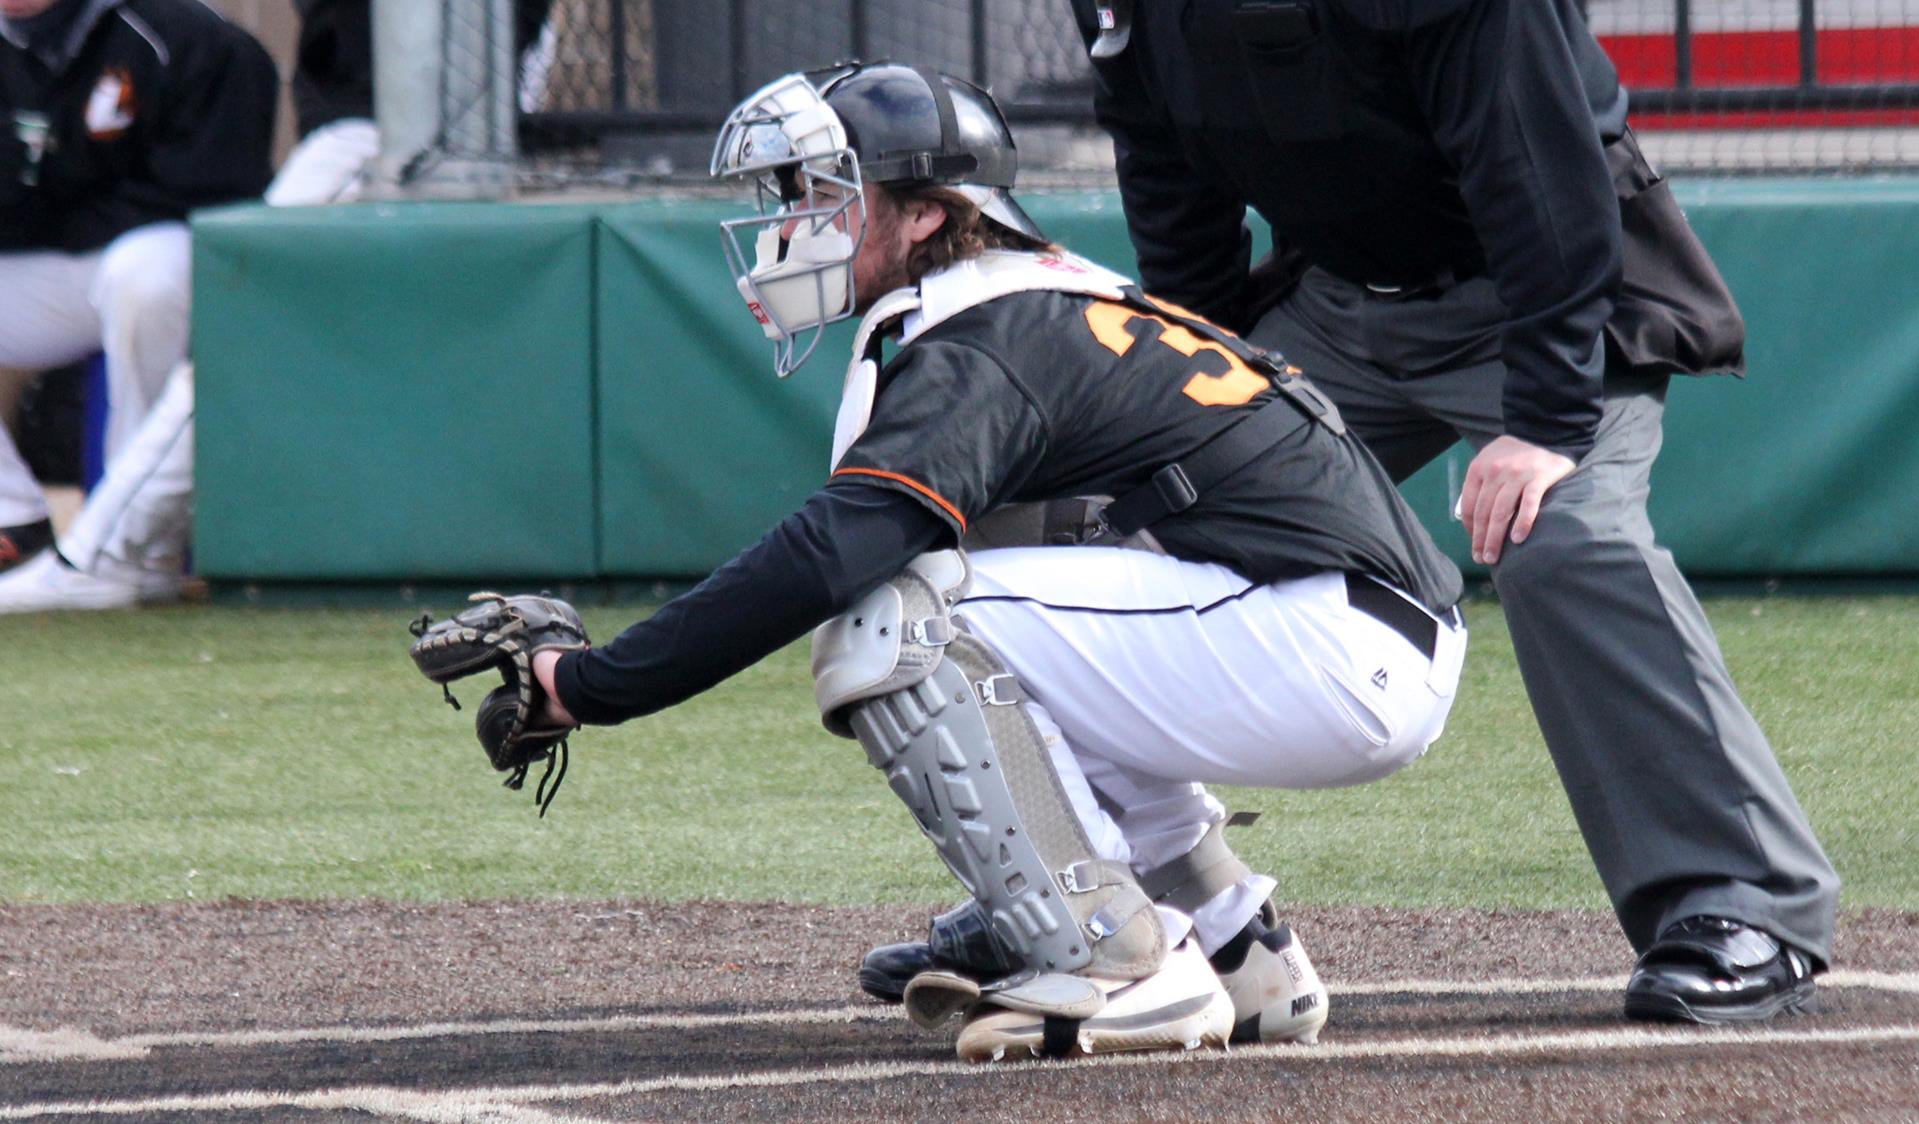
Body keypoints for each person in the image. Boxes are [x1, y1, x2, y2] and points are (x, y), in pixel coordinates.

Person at [523, 61, 1468, 1061]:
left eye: (823, 193)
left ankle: (1117, 956)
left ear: (925, 216)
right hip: (1338, 628)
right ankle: (1235, 940)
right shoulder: (1039, 296)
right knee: (1001, 598)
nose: (793, 224)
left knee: (897, 620)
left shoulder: (978, 327)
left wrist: (587, 683)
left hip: (1317, 636)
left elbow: (834, 553)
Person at [1068, 0, 1840, 1024]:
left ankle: (1748, 903)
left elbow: (1542, 180)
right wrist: (1189, 404)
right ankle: (1072, 899)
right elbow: (1168, 181)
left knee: (1563, 538)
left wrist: (1548, 423)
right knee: (1107, 524)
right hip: (1337, 302)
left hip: (1543, 294)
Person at [0, 0, 553, 611]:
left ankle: (114, 555)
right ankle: (19, 525)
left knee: (230, 311)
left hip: (401, 131)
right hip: (365, 122)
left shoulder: (173, 35)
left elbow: (205, 182)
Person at [0, 0, 275, 577]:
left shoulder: (177, 31)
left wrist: (51, 212)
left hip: (165, 252)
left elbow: (216, 192)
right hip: (55, 264)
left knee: (143, 278)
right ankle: (13, 520)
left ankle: (139, 540)